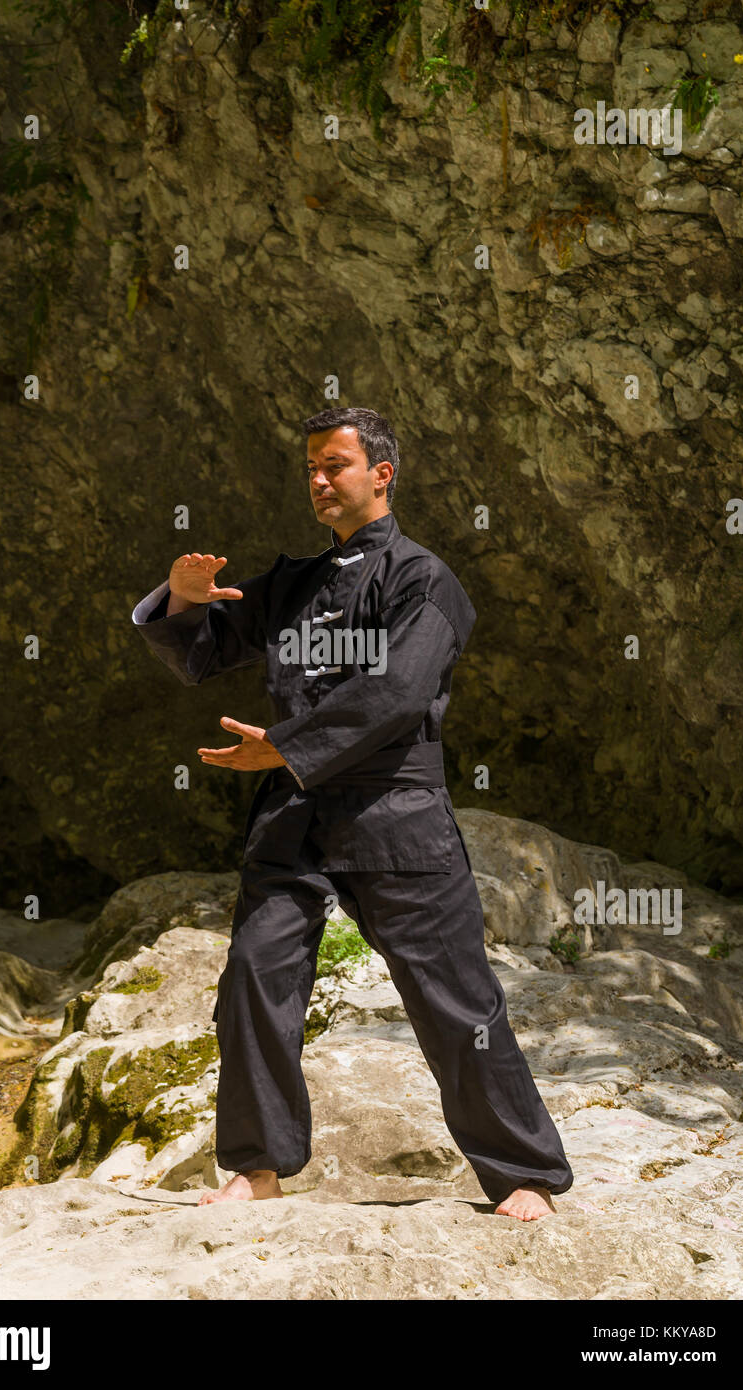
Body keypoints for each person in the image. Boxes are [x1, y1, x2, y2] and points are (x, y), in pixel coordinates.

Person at [131, 406, 574, 1220]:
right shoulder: (294, 583)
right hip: (291, 822)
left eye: (334, 464)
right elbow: (201, 653)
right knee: (254, 979)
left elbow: (399, 691)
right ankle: (255, 1166)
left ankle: (520, 1174)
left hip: (395, 812)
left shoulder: (422, 579)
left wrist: (287, 746)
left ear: (381, 474)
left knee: (454, 1000)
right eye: (310, 467)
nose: (318, 480)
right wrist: (181, 600)